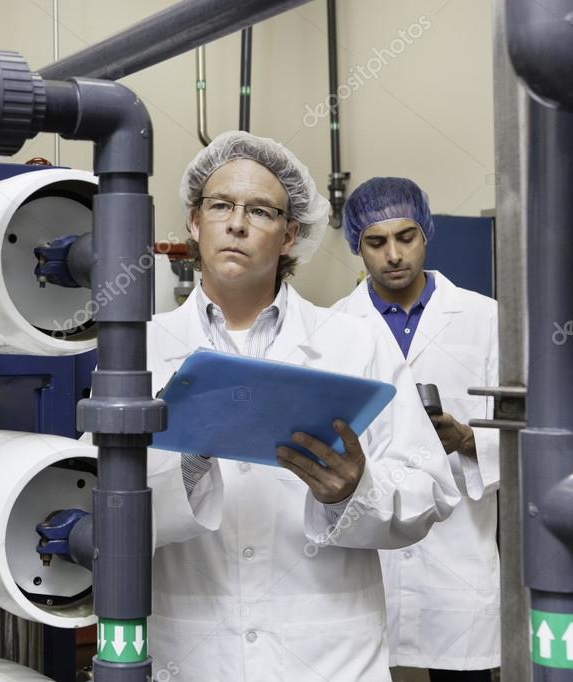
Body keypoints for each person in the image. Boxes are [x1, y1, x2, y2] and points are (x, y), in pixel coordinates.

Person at [144, 131, 460, 681]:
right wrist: (186, 466)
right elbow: (96, 498)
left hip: (329, 658)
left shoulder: (355, 342)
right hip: (193, 654)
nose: (237, 224)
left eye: (260, 211)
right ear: (194, 221)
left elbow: (428, 487)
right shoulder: (140, 348)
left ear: (290, 234)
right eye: (220, 206)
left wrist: (355, 493)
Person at [333, 177, 500, 681]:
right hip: (369, 546)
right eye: (376, 242)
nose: (393, 254)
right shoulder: (333, 326)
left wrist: (467, 440)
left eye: (405, 237)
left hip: (460, 548)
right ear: (357, 245)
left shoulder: (485, 318)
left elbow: (524, 427)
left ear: (425, 232)